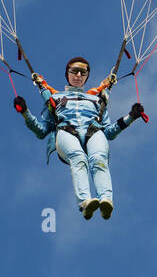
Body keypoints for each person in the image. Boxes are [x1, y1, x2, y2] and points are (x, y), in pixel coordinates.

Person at [13, 56, 145, 220]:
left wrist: (131, 116)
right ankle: (85, 202)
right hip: (66, 131)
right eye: (74, 71)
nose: (78, 75)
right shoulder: (54, 99)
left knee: (99, 159)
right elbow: (41, 130)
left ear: (87, 76)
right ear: (67, 74)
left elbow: (109, 131)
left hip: (94, 131)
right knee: (79, 159)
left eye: (83, 72)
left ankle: (106, 201)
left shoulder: (96, 100)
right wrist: (25, 112)